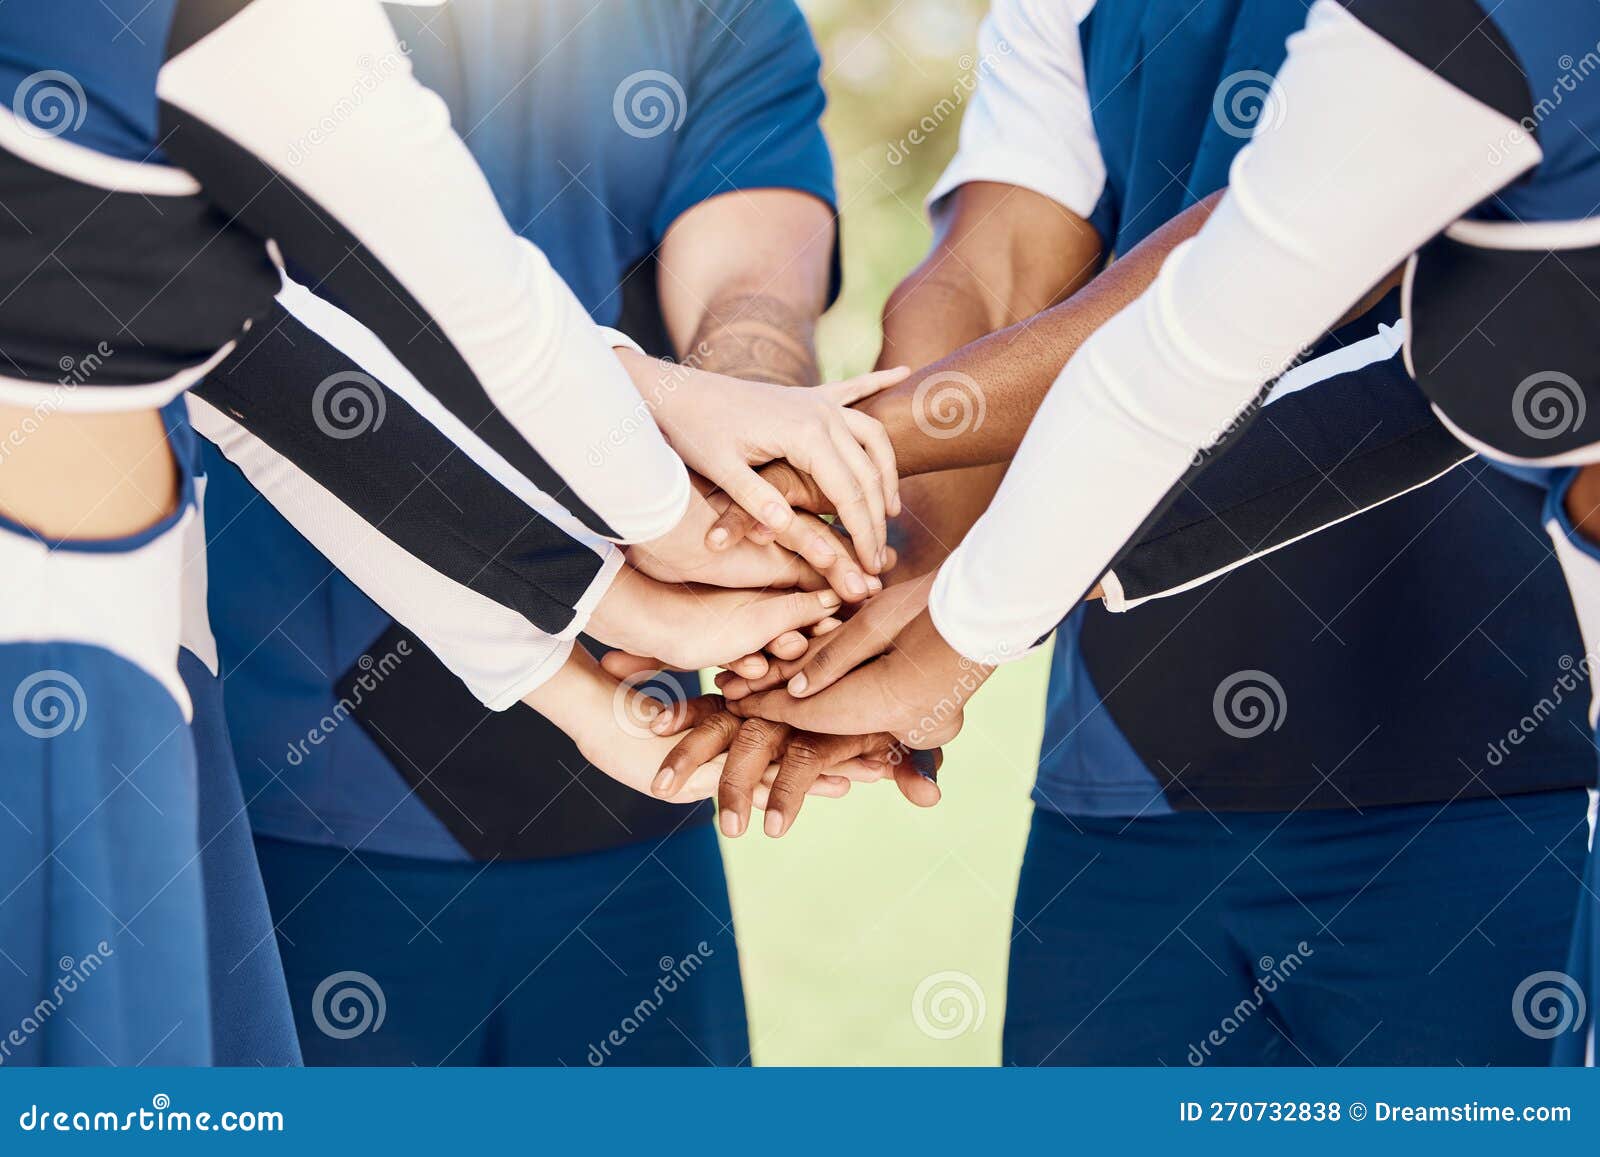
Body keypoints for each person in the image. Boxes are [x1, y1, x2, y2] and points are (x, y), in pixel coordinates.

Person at [0, 0, 897, 1065]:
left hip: (136, 684)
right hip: (103, 704)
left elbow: (263, 372)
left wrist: (590, 632)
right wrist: (672, 527)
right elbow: (453, 300)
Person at [717, 0, 1597, 1064]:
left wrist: (832, 481)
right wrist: (898, 573)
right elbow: (991, 273)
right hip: (1127, 786)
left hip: (1505, 768)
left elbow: (1252, 293)